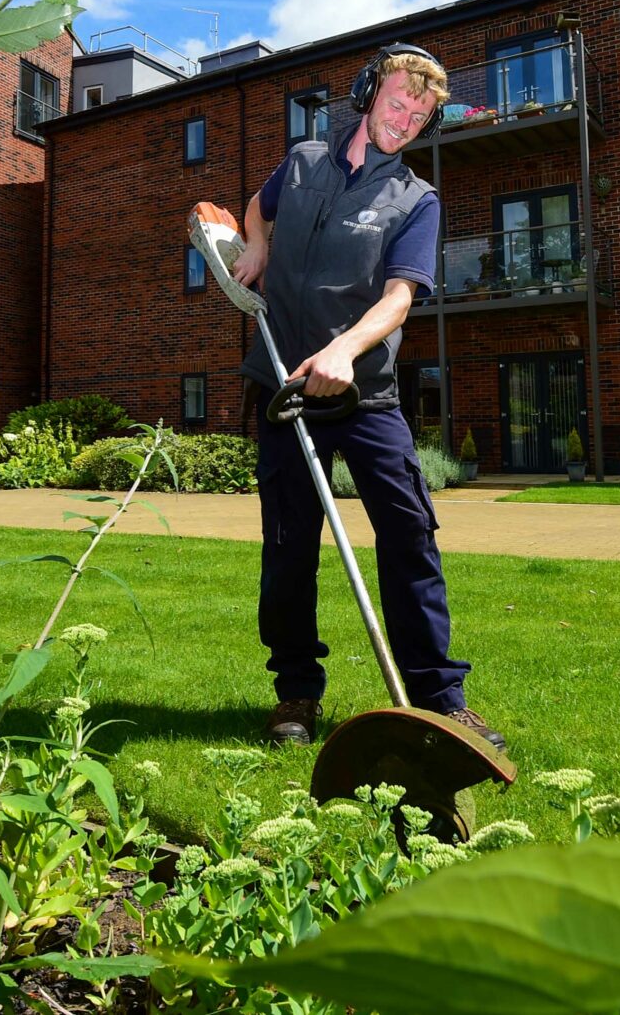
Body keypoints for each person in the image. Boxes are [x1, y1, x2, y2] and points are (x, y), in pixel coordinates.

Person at [231, 43, 505, 753]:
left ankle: (440, 699)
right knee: (289, 545)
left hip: (365, 392)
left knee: (409, 531)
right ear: (367, 93)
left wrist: (346, 351)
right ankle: (295, 692)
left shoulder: (416, 200)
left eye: (420, 114)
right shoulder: (301, 163)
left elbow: (399, 298)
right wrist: (256, 246)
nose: (405, 119)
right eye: (398, 103)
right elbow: (256, 211)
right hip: (286, 385)